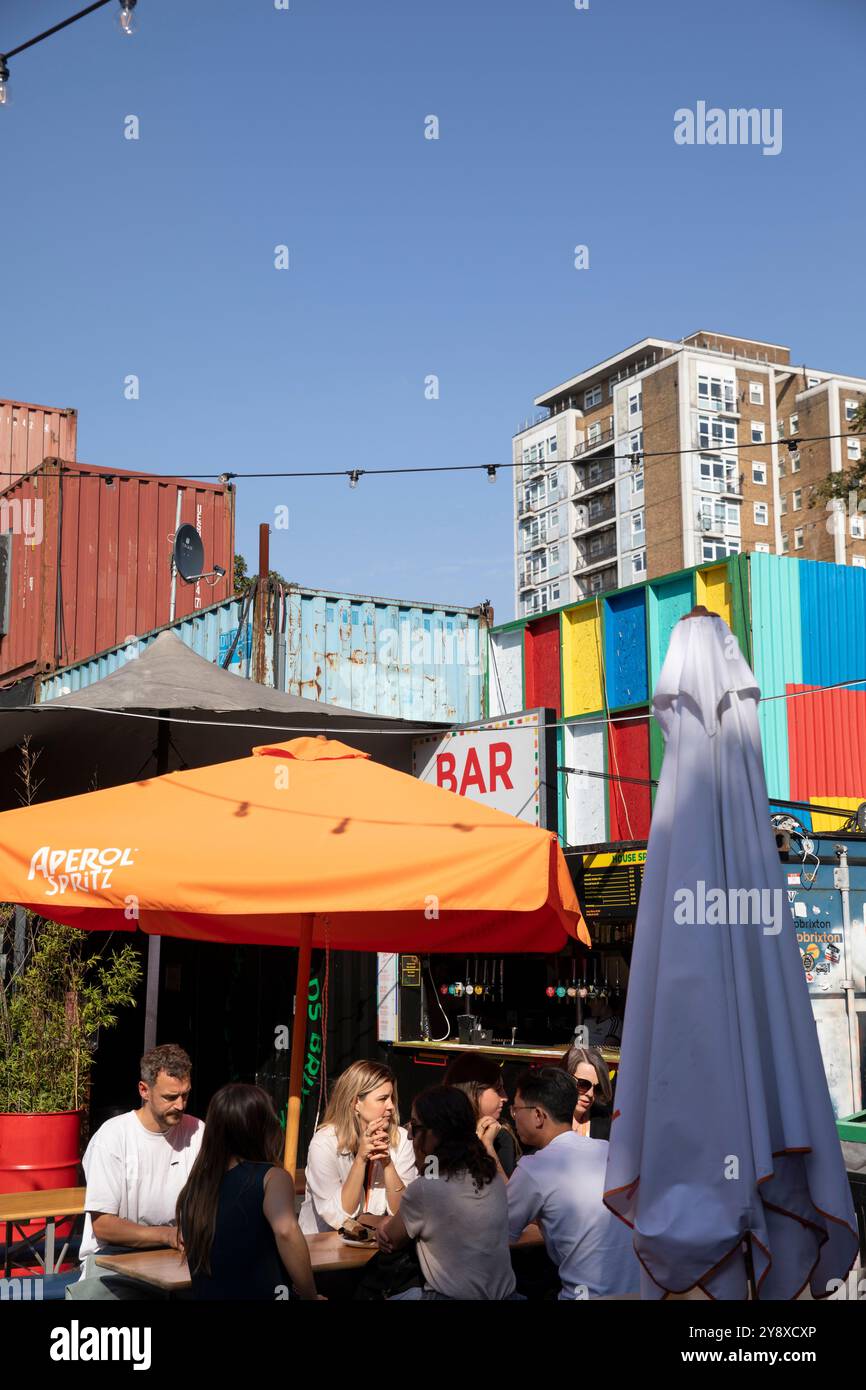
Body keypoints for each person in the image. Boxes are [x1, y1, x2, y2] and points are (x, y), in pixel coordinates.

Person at [67, 1043, 204, 1300]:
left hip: (179, 1256)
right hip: (114, 1258)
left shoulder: (198, 1132)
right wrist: (167, 1235)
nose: (180, 1104)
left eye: (185, 1095)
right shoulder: (112, 1137)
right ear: (144, 1090)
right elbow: (104, 1227)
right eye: (170, 1097)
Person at [177, 1083, 320, 1301]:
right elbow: (286, 1231)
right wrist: (310, 1295)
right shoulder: (272, 1178)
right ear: (263, 1129)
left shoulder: (194, 1189)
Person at [506, 1067, 639, 1300]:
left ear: (538, 1115)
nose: (513, 1116)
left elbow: (496, 1236)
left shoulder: (534, 1168)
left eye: (516, 1109)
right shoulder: (611, 1150)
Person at [377, 1086, 518, 1300]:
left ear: (434, 1134)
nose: (409, 1138)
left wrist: (380, 1226)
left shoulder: (426, 1190)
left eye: (414, 1127)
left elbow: (392, 1239)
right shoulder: (494, 1179)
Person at [298, 1061, 416, 1234]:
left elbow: (403, 1212)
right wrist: (360, 1160)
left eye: (392, 1098)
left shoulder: (401, 1139)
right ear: (355, 1103)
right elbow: (337, 1216)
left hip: (376, 1248)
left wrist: (387, 1164)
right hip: (324, 1247)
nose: (391, 1106)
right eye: (383, 1099)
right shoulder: (324, 1143)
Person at [442, 1051, 521, 1176]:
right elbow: (430, 1178)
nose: (505, 1097)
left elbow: (506, 1192)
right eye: (498, 1089)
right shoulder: (436, 1133)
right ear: (473, 1092)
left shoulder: (499, 1136)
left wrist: (488, 1147)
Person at [561, 1042, 614, 1139]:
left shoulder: (606, 1123)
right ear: (565, 1078)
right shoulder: (543, 1117)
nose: (590, 1094)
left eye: (597, 1088)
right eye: (583, 1084)